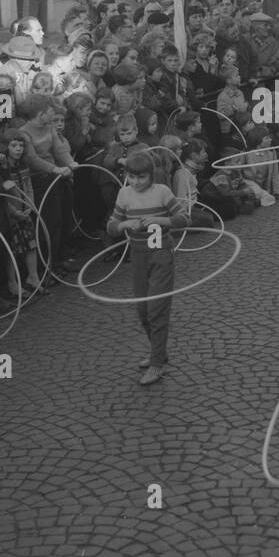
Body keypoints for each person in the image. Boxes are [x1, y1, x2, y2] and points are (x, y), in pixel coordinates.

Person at [106, 150, 190, 386]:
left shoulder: (162, 192)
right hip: (139, 256)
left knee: (157, 310)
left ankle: (157, 364)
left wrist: (162, 221)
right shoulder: (124, 194)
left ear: (151, 176)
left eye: (141, 177)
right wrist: (124, 224)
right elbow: (110, 226)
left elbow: (184, 219)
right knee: (143, 310)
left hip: (162, 254)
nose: (136, 182)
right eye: (132, 177)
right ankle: (158, 351)